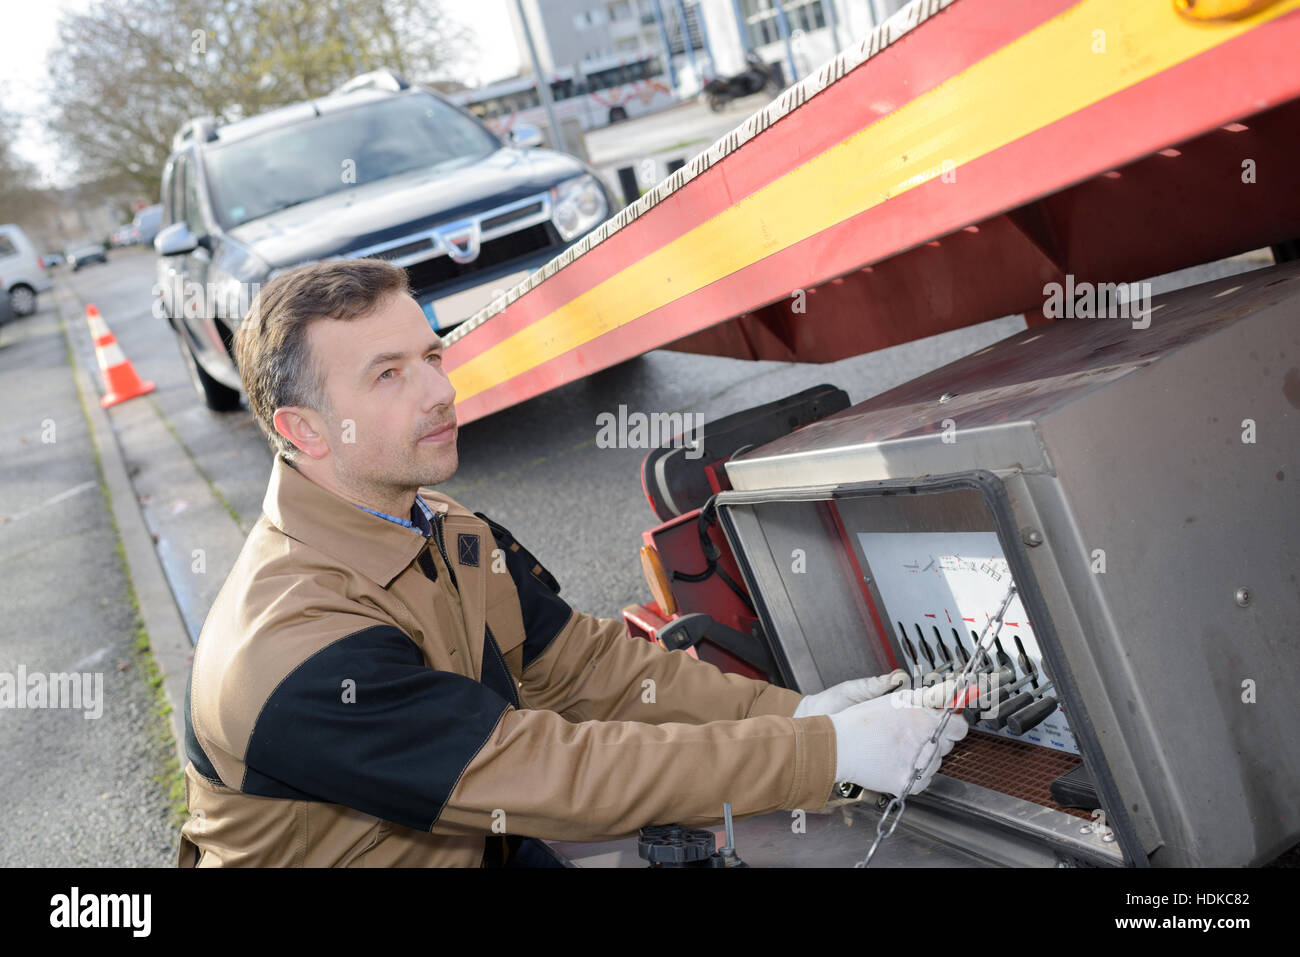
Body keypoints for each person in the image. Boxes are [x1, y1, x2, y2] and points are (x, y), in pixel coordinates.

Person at [177, 258, 966, 867]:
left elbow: (593, 671)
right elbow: (541, 773)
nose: (439, 391)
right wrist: (827, 754)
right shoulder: (289, 651)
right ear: (305, 429)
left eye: (431, 355)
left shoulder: (447, 528)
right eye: (389, 374)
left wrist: (797, 716)